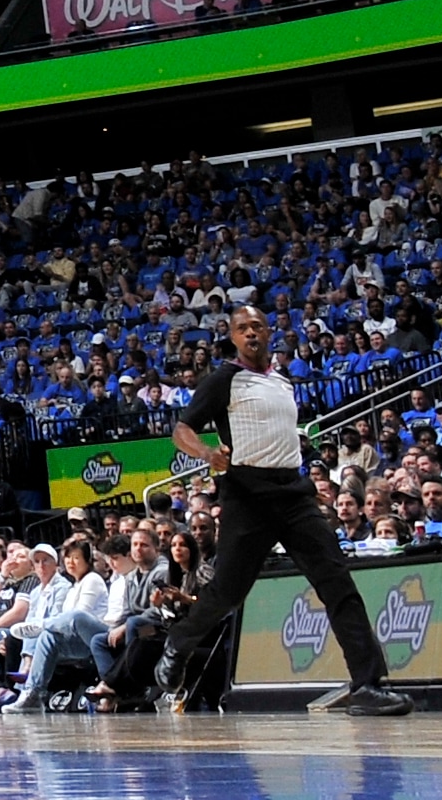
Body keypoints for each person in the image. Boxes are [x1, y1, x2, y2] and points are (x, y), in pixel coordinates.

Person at [155, 306, 411, 715]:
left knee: (337, 582)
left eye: (257, 325)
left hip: (293, 493)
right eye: (242, 328)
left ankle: (367, 685)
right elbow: (181, 430)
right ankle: (179, 642)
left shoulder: (282, 381)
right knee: (227, 593)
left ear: (268, 331)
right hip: (246, 495)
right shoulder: (223, 379)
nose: (250, 333)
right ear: (233, 337)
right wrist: (206, 453)